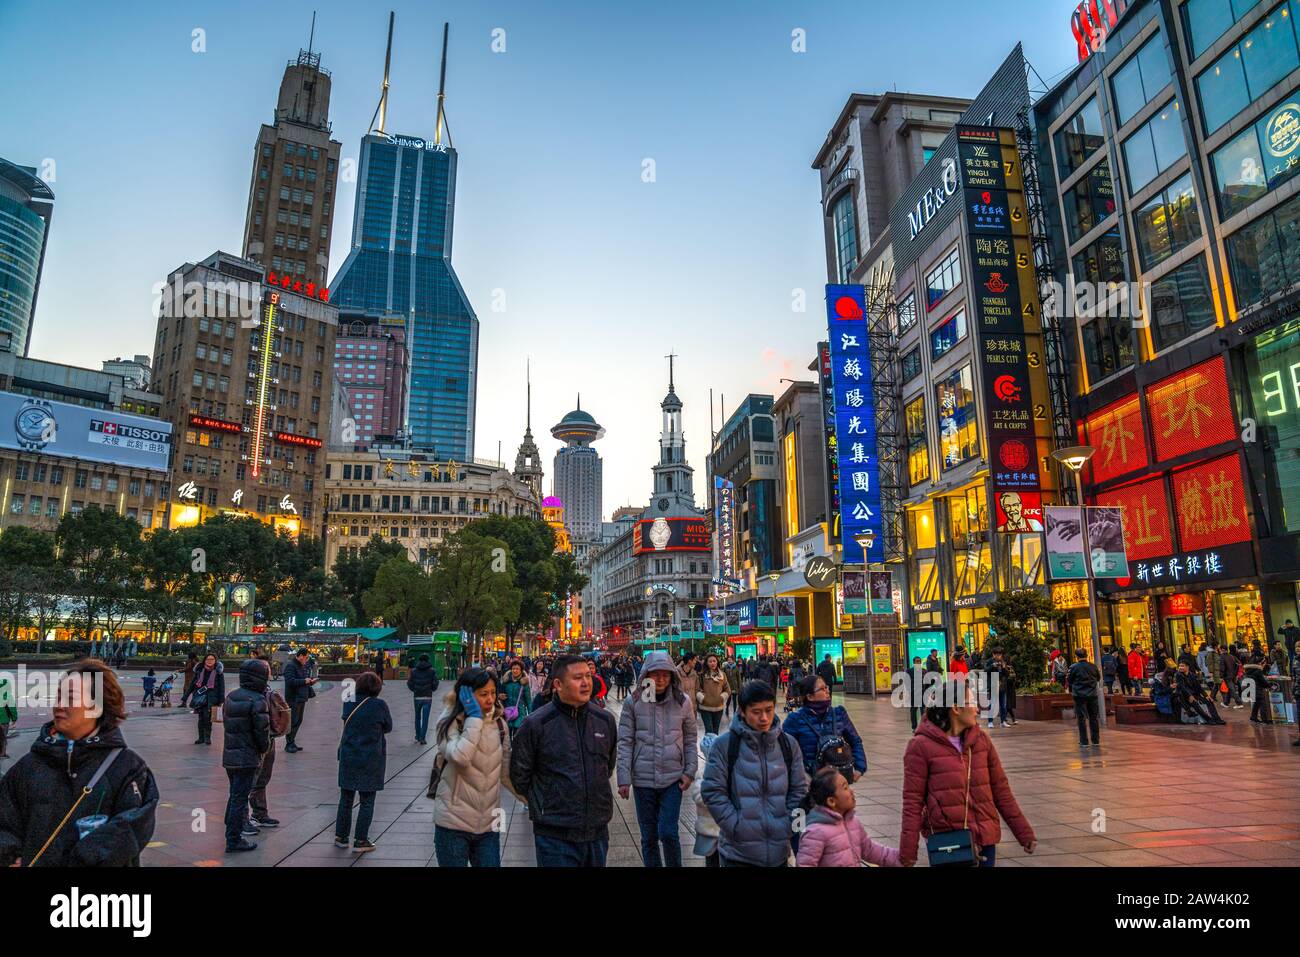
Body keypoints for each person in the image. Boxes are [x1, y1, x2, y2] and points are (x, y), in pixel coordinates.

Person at [0, 661, 158, 867]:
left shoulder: (129, 769)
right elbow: (5, 822)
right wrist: (10, 855)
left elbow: (129, 831)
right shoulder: (28, 767)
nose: (59, 704)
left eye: (71, 697)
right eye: (58, 696)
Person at [899, 677, 1035, 867]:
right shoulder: (920, 746)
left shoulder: (982, 742)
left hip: (985, 840)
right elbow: (912, 802)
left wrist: (1023, 832)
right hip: (949, 842)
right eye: (972, 703)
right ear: (956, 708)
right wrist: (908, 850)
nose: (977, 709)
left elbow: (1001, 791)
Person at [511, 654, 618, 867]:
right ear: (558, 684)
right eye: (578, 678)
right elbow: (519, 775)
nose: (586, 682)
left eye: (588, 676)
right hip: (554, 835)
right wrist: (545, 802)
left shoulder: (604, 721)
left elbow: (607, 767)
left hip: (596, 831)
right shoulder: (537, 724)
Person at [701, 680, 808, 867]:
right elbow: (712, 791)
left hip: (779, 853)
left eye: (769, 710)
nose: (764, 718)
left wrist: (788, 824)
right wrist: (736, 826)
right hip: (738, 854)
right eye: (756, 712)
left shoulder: (788, 745)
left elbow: (799, 790)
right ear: (742, 711)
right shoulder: (725, 745)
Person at [616, 649, 698, 868]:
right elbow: (625, 741)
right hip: (643, 780)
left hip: (672, 778)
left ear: (672, 676)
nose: (661, 679)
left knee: (669, 833)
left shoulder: (683, 702)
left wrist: (690, 770)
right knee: (649, 837)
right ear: (646, 675)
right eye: (655, 674)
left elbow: (690, 738)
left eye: (666, 674)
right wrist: (623, 778)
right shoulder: (633, 702)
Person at [432, 667, 516, 867]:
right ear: (466, 695)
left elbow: (506, 773)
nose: (490, 699)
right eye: (483, 694)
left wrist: (534, 802)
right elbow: (460, 757)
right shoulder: (449, 722)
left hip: (489, 824)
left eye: (493, 693)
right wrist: (474, 718)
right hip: (453, 824)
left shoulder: (500, 725)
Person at [334, 671, 393, 852]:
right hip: (370, 758)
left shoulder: (349, 701)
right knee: (367, 800)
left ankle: (341, 837)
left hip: (349, 755)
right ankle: (361, 840)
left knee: (346, 798)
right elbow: (388, 727)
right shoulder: (379, 705)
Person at [797, 767, 901, 868]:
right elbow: (805, 864)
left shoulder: (853, 822)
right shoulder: (815, 832)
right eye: (845, 788)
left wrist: (899, 858)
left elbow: (870, 850)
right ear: (831, 801)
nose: (851, 792)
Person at [222, 659, 271, 853]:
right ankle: (233, 839)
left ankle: (231, 829)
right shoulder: (258, 700)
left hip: (230, 754)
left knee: (235, 795)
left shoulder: (232, 696)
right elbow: (262, 732)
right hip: (247, 757)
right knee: (239, 798)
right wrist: (264, 748)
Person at [783, 675, 866, 784]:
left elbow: (855, 741)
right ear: (810, 696)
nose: (827, 691)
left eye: (826, 687)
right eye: (822, 689)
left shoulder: (839, 713)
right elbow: (786, 752)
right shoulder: (795, 719)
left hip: (837, 780)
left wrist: (860, 767)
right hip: (809, 782)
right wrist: (801, 776)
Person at [248, 653, 281, 831]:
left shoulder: (267, 692)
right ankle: (243, 820)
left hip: (268, 741)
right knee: (249, 782)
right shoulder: (247, 695)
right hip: (254, 744)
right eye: (266, 669)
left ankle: (260, 813)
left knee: (263, 778)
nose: (269, 672)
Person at [690, 732, 721, 867]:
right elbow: (698, 794)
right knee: (712, 860)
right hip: (709, 831)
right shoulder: (703, 774)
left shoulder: (730, 772)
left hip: (727, 832)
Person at [283, 648, 318, 752]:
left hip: (301, 697)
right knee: (293, 721)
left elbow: (302, 680)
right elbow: (290, 681)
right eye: (306, 657)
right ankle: (289, 744)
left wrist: (310, 682)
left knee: (298, 721)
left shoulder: (301, 666)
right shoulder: (291, 665)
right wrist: (304, 681)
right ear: (300, 656)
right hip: (293, 698)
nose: (307, 660)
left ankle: (292, 742)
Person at [1067, 649, 1102, 748]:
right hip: (1092, 695)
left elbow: (1070, 680)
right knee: (1093, 717)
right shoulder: (1093, 666)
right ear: (1086, 655)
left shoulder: (1074, 667)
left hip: (1079, 696)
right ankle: (1095, 740)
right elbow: (1098, 678)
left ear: (1076, 656)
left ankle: (1084, 741)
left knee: (1081, 718)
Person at [406, 653, 440, 746]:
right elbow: (435, 683)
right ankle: (422, 738)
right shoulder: (432, 671)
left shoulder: (413, 671)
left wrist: (415, 690)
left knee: (417, 717)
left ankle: (417, 735)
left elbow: (409, 683)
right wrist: (431, 689)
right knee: (425, 718)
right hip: (427, 697)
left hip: (417, 697)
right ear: (428, 660)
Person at [190, 653, 224, 745]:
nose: (210, 661)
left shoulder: (218, 672)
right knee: (200, 718)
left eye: (212, 659)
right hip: (200, 698)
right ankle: (200, 738)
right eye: (208, 659)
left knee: (208, 718)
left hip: (211, 698)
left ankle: (207, 738)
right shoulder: (200, 670)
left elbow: (221, 687)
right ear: (204, 660)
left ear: (215, 661)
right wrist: (185, 697)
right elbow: (193, 684)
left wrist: (221, 700)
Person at [498, 659, 533, 742]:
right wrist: (499, 696)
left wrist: (531, 715)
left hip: (520, 713)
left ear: (521, 670)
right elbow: (499, 695)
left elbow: (528, 700)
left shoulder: (524, 684)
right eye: (513, 668)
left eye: (517, 669)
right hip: (507, 713)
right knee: (506, 738)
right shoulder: (506, 682)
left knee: (518, 738)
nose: (515, 670)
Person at [697, 654, 730, 734]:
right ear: (707, 663)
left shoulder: (722, 675)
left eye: (714, 661)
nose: (712, 663)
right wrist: (702, 698)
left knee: (715, 732)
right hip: (705, 708)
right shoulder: (702, 675)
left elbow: (727, 689)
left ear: (717, 662)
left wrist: (722, 697)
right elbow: (697, 689)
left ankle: (715, 747)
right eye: (710, 661)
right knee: (709, 732)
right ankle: (708, 747)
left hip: (719, 708)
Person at [983, 647, 1014, 728]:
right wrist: (992, 666)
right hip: (993, 686)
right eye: (997, 654)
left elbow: (1007, 674)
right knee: (992, 705)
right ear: (993, 654)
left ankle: (1003, 721)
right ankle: (990, 721)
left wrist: (1004, 668)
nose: (998, 656)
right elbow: (985, 671)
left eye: (1000, 654)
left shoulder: (1003, 662)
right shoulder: (989, 661)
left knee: (1003, 705)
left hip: (1002, 686)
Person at [1244, 648, 1272, 724]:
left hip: (1251, 687)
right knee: (1263, 703)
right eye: (1264, 663)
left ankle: (1253, 717)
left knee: (1257, 702)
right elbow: (1262, 680)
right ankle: (1265, 719)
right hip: (1257, 688)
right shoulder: (1258, 670)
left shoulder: (1250, 666)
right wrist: (1269, 686)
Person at [1219, 643, 1244, 709]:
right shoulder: (1231, 656)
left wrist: (1221, 676)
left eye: (1220, 649)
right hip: (1233, 675)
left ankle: (1239, 703)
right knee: (1230, 689)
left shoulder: (1222, 657)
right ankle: (1226, 703)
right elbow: (1238, 664)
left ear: (1222, 649)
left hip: (1227, 676)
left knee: (1232, 690)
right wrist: (1235, 674)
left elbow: (1222, 668)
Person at [904, 656, 926, 731]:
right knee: (913, 710)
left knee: (923, 710)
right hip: (914, 693)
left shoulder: (924, 671)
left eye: (919, 661)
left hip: (923, 693)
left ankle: (923, 726)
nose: (918, 663)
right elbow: (906, 682)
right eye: (917, 661)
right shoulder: (909, 671)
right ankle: (914, 726)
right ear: (913, 662)